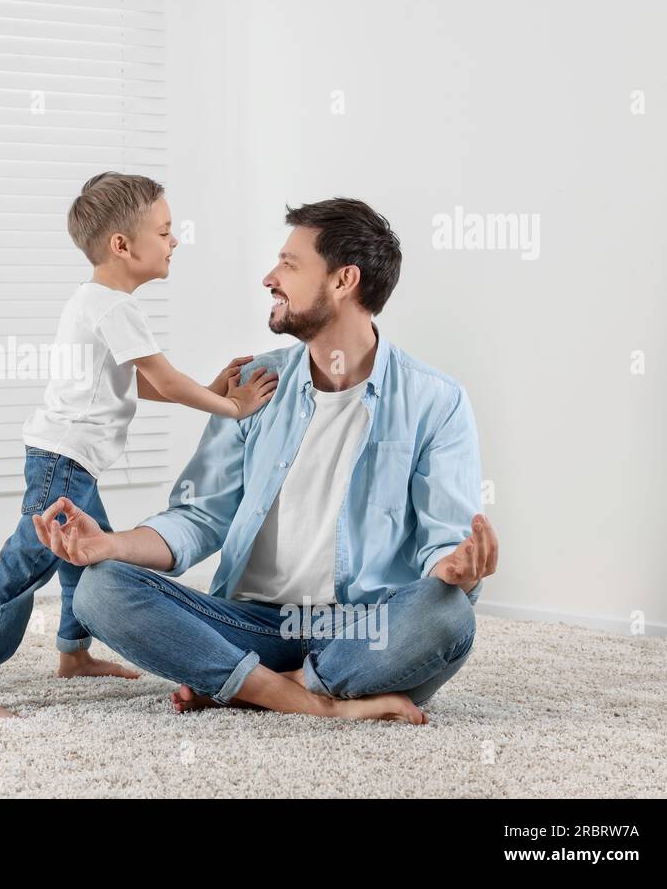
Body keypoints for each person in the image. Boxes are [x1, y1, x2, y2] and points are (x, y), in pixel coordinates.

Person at [33, 198, 499, 723]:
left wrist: (456, 569)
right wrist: (111, 544)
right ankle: (317, 702)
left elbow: (445, 546)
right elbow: (199, 516)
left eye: (289, 264)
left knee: (447, 616)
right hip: (252, 622)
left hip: (362, 629)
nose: (269, 278)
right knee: (100, 589)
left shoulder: (436, 400)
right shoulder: (256, 385)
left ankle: (248, 683)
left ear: (344, 280)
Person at [0, 172, 279, 717]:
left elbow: (142, 383)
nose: (175, 241)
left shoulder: (95, 302)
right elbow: (165, 380)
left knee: (88, 555)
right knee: (23, 568)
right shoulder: (114, 306)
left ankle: (73, 654)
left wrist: (212, 388)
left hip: (70, 463)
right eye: (165, 231)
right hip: (62, 465)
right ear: (122, 246)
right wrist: (233, 407)